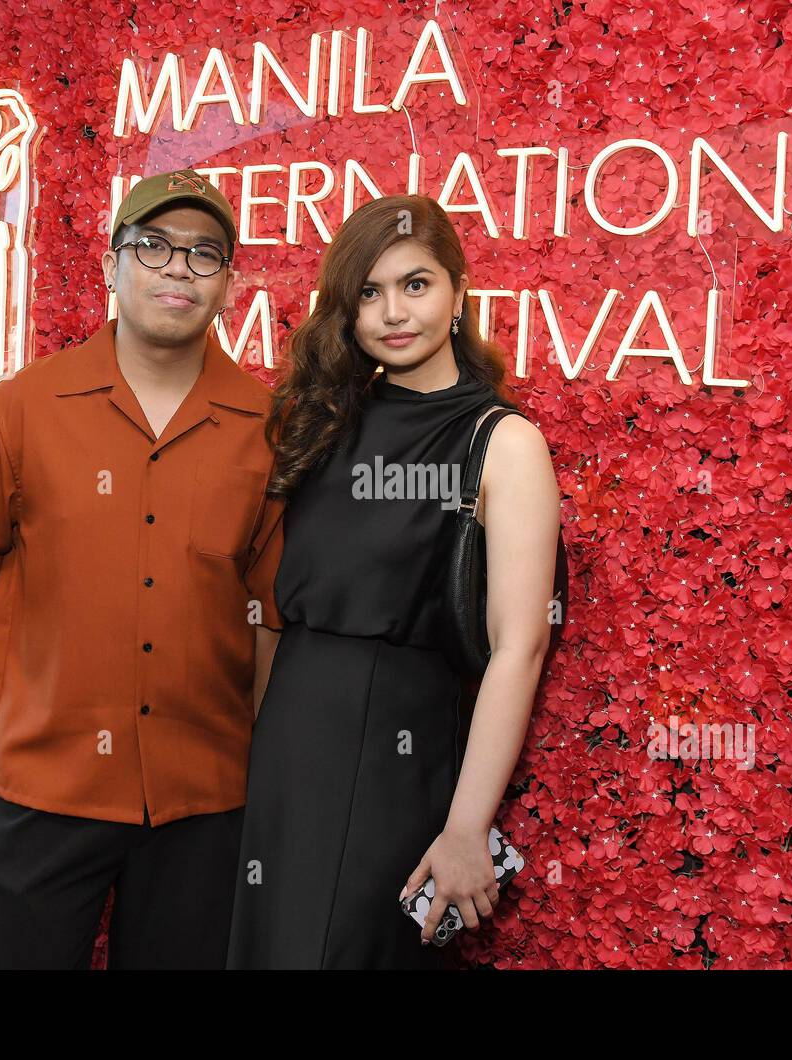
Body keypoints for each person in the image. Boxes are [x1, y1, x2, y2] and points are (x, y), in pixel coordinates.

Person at [0, 167, 285, 969]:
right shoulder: (19, 407)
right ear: (111, 266)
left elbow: (273, 618)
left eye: (205, 254)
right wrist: (51, 617)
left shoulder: (267, 427)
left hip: (205, 797)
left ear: (228, 286)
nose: (178, 267)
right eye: (154, 246)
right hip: (52, 786)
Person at [226, 194, 561, 969]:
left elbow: (521, 646)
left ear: (459, 291)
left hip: (393, 753)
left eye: (416, 285)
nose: (392, 312)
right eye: (368, 293)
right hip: (287, 743)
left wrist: (468, 825)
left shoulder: (502, 443)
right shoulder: (324, 421)